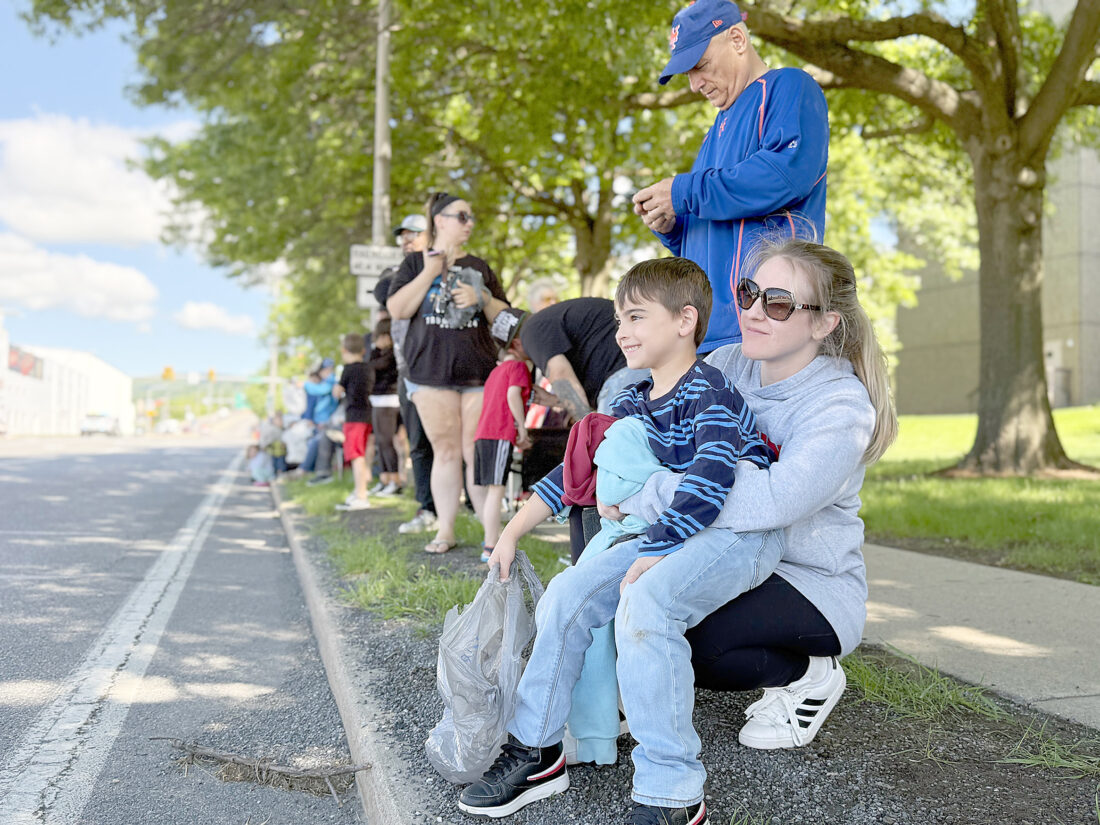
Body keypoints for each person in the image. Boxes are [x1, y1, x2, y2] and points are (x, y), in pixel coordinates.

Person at [457, 257, 775, 823]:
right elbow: (581, 471)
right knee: (566, 593)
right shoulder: (632, 400)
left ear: (685, 321)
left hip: (736, 532)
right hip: (670, 529)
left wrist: (654, 550)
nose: (620, 332)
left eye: (634, 317)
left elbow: (713, 480)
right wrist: (510, 530)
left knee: (644, 608)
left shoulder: (711, 392)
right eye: (618, 320)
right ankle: (536, 749)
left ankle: (673, 791)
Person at [633, 0, 829, 355]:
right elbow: (708, 234)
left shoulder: (789, 86)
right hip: (707, 339)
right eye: (687, 73)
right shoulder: (713, 134)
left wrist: (682, 191)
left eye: (701, 66)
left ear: (737, 39)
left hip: (769, 324)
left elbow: (784, 176)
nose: (694, 85)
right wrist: (672, 227)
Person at [386, 192, 510, 554]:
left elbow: (505, 316)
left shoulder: (480, 266)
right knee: (445, 451)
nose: (469, 223)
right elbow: (397, 308)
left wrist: (482, 298)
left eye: (471, 217)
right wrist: (428, 271)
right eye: (462, 216)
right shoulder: (413, 263)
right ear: (439, 220)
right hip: (428, 373)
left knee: (475, 451)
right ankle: (446, 530)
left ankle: (492, 540)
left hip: (477, 372)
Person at [513, 297, 648, 422]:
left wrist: (588, 428)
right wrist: (555, 400)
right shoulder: (551, 319)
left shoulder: (529, 332)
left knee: (611, 443)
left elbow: (560, 375)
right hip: (646, 366)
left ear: (515, 345)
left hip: (624, 374)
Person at [473, 308, 534, 563]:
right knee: (497, 490)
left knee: (490, 490)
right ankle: (490, 545)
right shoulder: (518, 367)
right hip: (500, 433)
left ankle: (491, 537)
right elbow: (512, 396)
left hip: (483, 434)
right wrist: (521, 426)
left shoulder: (495, 371)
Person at [332, 333, 374, 511]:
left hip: (354, 417)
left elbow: (337, 392)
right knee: (365, 453)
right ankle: (361, 488)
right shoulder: (369, 368)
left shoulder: (347, 369)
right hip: (369, 414)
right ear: (363, 350)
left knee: (356, 456)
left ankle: (361, 495)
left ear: (344, 351)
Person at [368, 317, 403, 496]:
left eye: (383, 337)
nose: (379, 341)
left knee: (387, 441)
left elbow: (377, 366)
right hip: (378, 400)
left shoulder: (394, 353)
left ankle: (395, 480)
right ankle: (384, 478)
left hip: (389, 400)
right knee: (380, 442)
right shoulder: (376, 352)